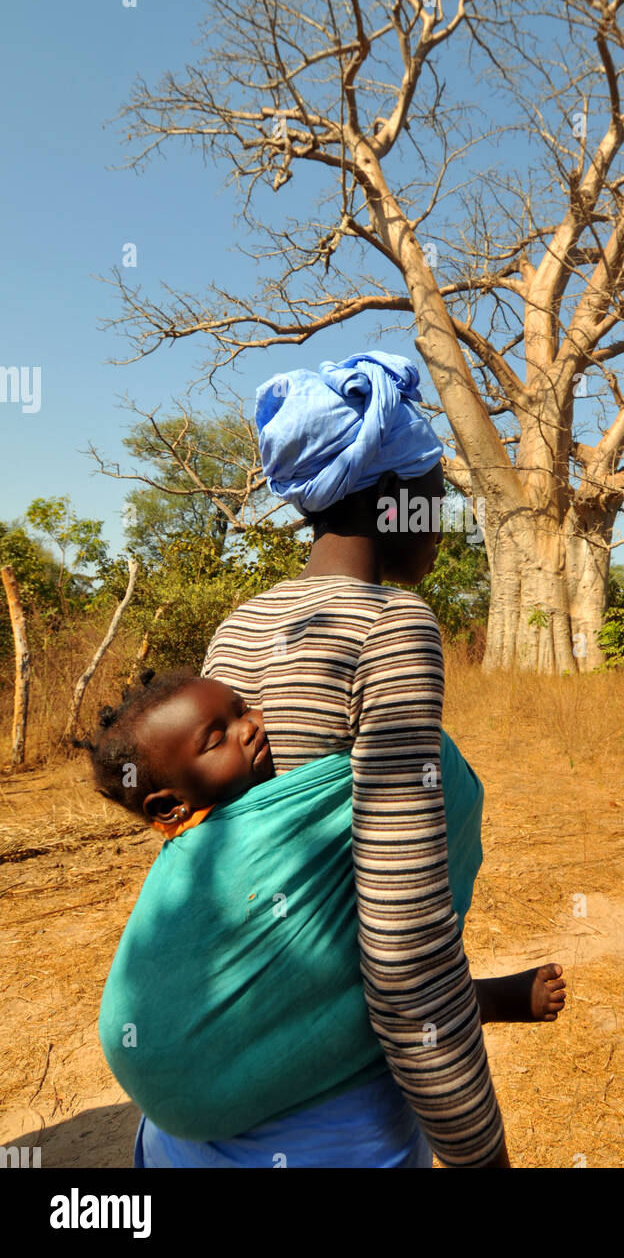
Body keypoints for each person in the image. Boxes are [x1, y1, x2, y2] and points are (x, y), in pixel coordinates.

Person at [99, 350, 566, 1167]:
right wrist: (477, 1149)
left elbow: (227, 866)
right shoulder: (393, 627)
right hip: (325, 1125)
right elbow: (402, 941)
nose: (445, 511)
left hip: (196, 1115)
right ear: (396, 501)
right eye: (435, 490)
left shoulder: (238, 627)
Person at [90, 669, 566, 1167]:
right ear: (168, 807)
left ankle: (466, 999)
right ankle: (473, 1000)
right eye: (218, 737)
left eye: (242, 709)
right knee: (365, 983)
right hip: (204, 1081)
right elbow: (413, 761)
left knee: (337, 967)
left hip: (181, 1110)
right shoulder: (227, 845)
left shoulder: (245, 825)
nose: (252, 726)